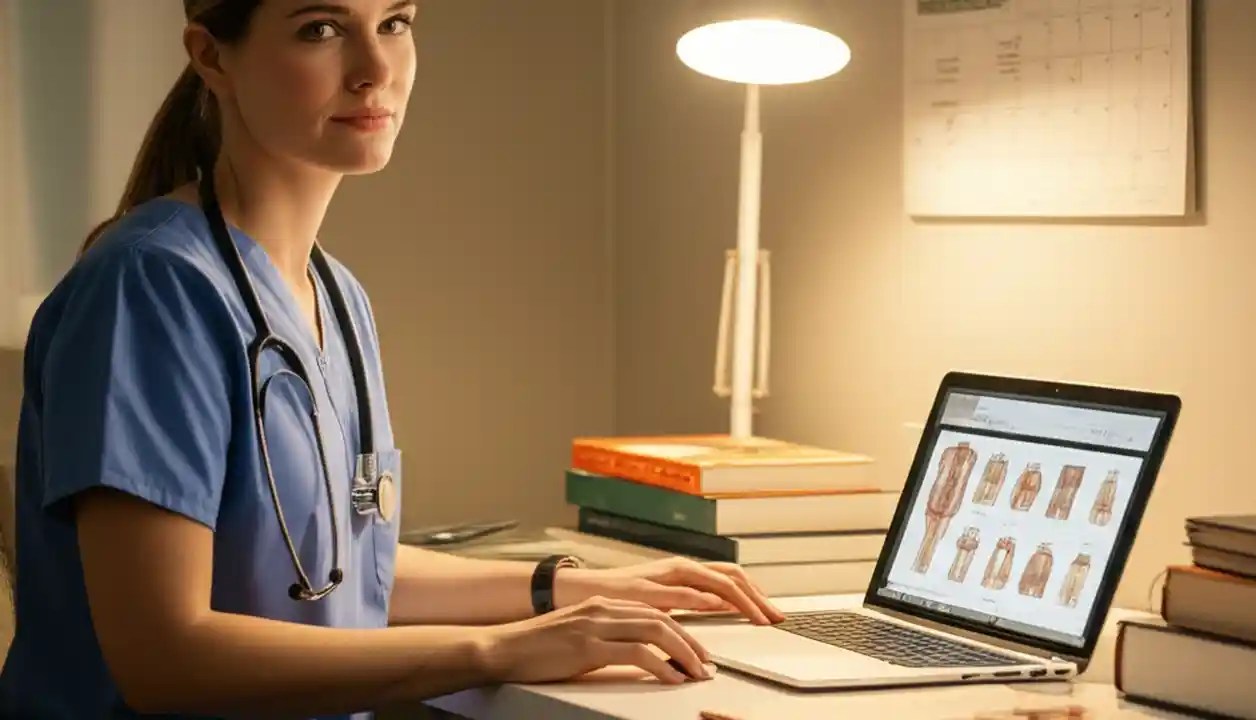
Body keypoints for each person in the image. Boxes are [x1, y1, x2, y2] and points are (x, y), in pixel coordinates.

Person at [0, 1, 785, 718]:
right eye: (321, 29)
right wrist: (497, 649)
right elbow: (166, 657)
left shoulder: (336, 296)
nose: (374, 68)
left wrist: (565, 588)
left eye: (395, 23)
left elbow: (338, 572)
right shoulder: (150, 289)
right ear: (211, 56)